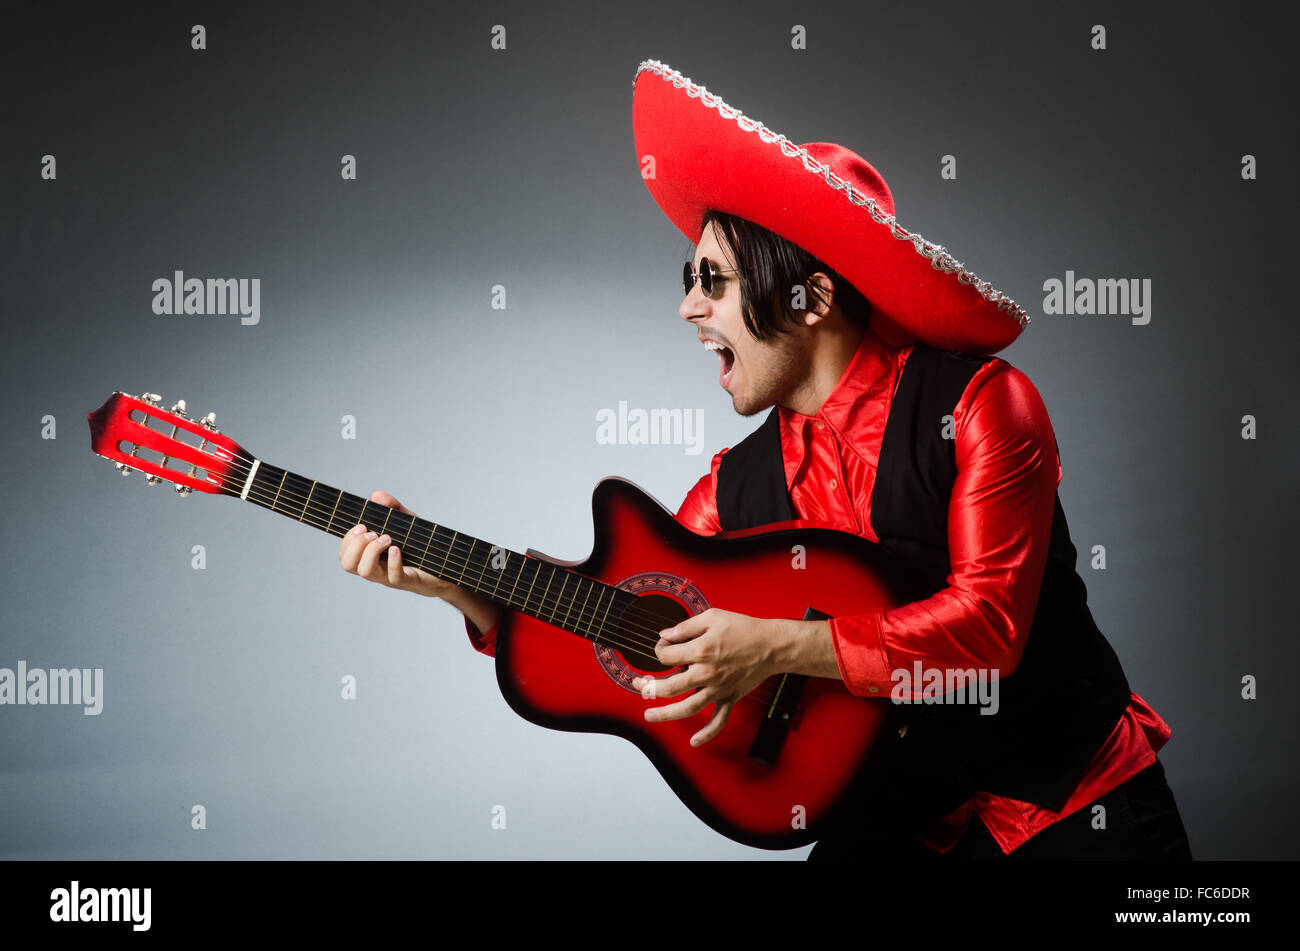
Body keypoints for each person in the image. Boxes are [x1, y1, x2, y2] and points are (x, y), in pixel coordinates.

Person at [336, 59, 1192, 860]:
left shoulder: (982, 405)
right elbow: (630, 624)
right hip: (903, 814)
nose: (685, 307)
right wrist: (460, 584)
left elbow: (987, 635)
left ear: (810, 296)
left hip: (1078, 801)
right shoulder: (732, 486)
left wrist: (782, 645)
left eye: (712, 280)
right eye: (687, 277)